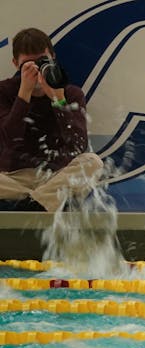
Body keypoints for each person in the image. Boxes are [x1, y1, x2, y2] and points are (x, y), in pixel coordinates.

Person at [0, 27, 103, 212]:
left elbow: (78, 145)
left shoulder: (71, 93)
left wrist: (59, 101)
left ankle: (30, 203)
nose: (37, 70)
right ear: (15, 64)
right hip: (14, 177)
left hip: (56, 175)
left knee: (93, 162)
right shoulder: (4, 91)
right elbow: (7, 139)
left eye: (42, 62)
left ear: (53, 58)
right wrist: (24, 94)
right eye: (28, 66)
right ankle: (42, 201)